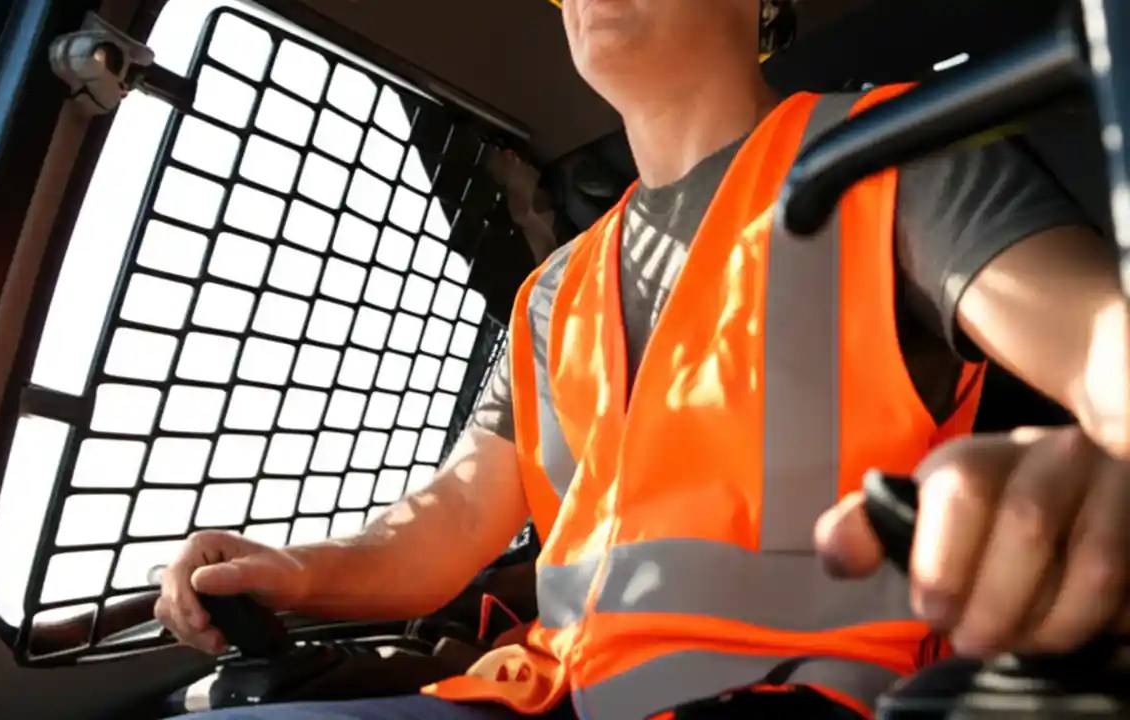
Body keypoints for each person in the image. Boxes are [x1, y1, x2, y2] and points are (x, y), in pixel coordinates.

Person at [159, 0, 1130, 717]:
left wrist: (1101, 473)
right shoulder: (549, 293)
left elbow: (1102, 353)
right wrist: (289, 569)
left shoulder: (888, 155)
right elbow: (450, 520)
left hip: (801, 694)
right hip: (541, 695)